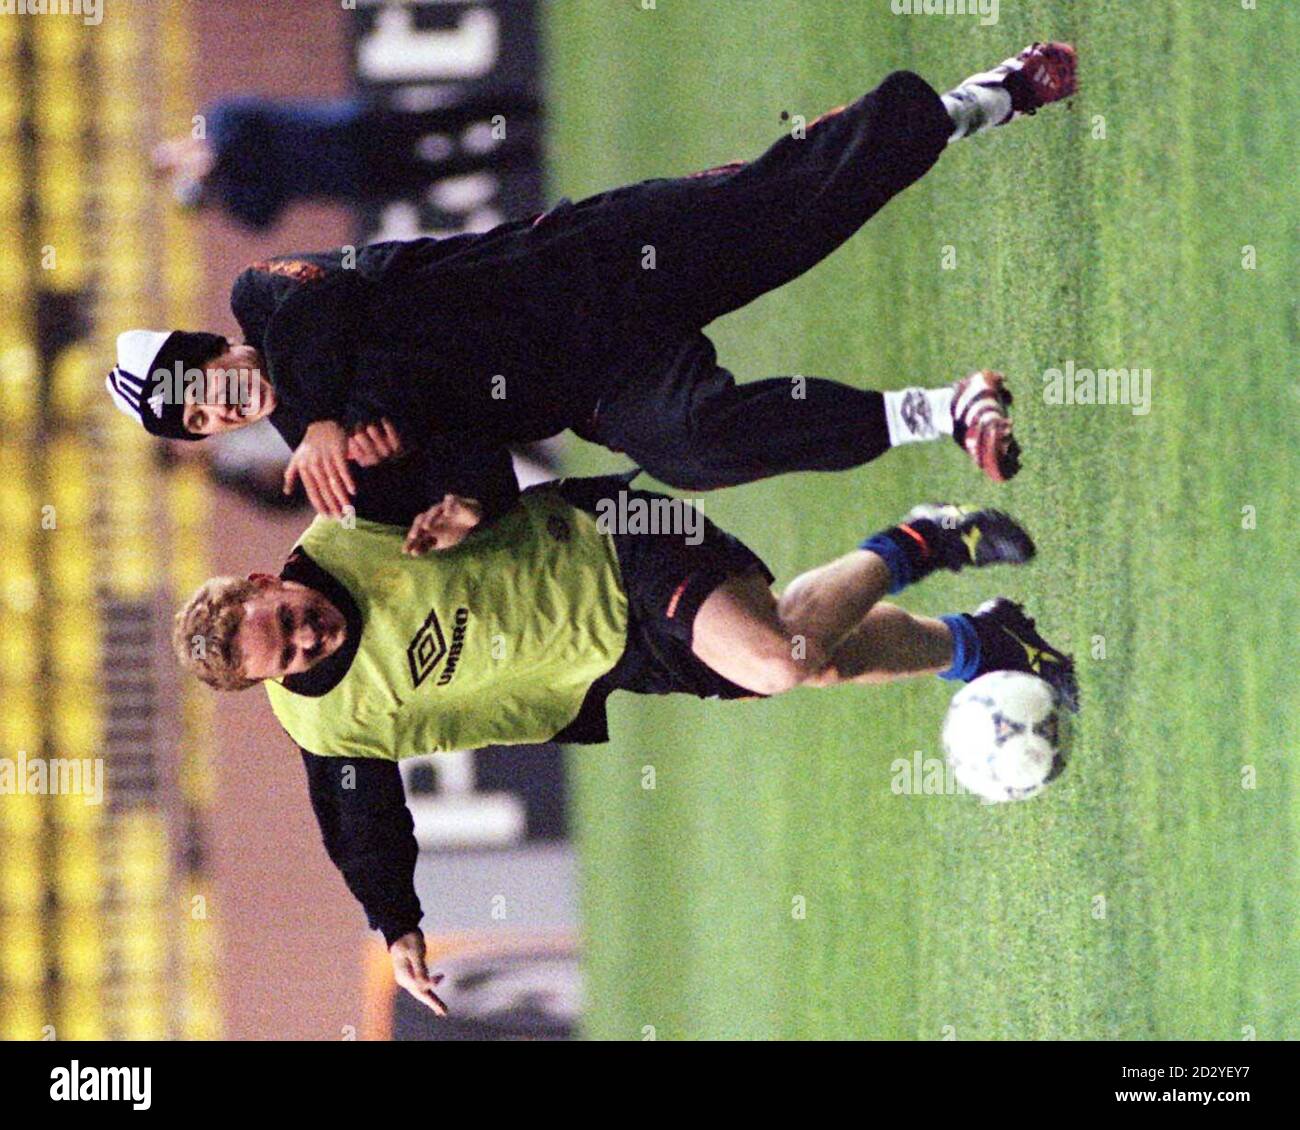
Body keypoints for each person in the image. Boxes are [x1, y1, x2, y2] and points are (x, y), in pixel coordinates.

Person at [172, 472, 1078, 1015]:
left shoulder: (352, 526)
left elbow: (461, 442)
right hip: (608, 658)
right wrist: (395, 922)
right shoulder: (322, 720)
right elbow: (362, 819)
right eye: (285, 655)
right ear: (266, 685)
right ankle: (986, 642)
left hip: (609, 543)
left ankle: (924, 537)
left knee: (776, 657)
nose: (307, 636)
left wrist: (474, 498)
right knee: (817, 657)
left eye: (287, 617)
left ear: (266, 577)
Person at [110, 44, 1078, 516]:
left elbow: (328, 304)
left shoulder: (263, 299)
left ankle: (983, 99)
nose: (214, 406)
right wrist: (455, 504)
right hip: (594, 387)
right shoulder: (330, 467)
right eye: (198, 421)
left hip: (595, 261)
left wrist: (323, 417)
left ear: (207, 350)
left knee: (802, 201)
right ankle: (946, 411)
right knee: (693, 445)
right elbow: (484, 461)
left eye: (198, 386)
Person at [152, 90, 541, 231]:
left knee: (440, 120)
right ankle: (520, 155)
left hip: (349, 129)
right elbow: (262, 217)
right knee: (440, 171)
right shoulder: (234, 195)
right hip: (351, 179)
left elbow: (251, 117)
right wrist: (219, 185)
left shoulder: (221, 120)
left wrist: (218, 155)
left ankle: (517, 106)